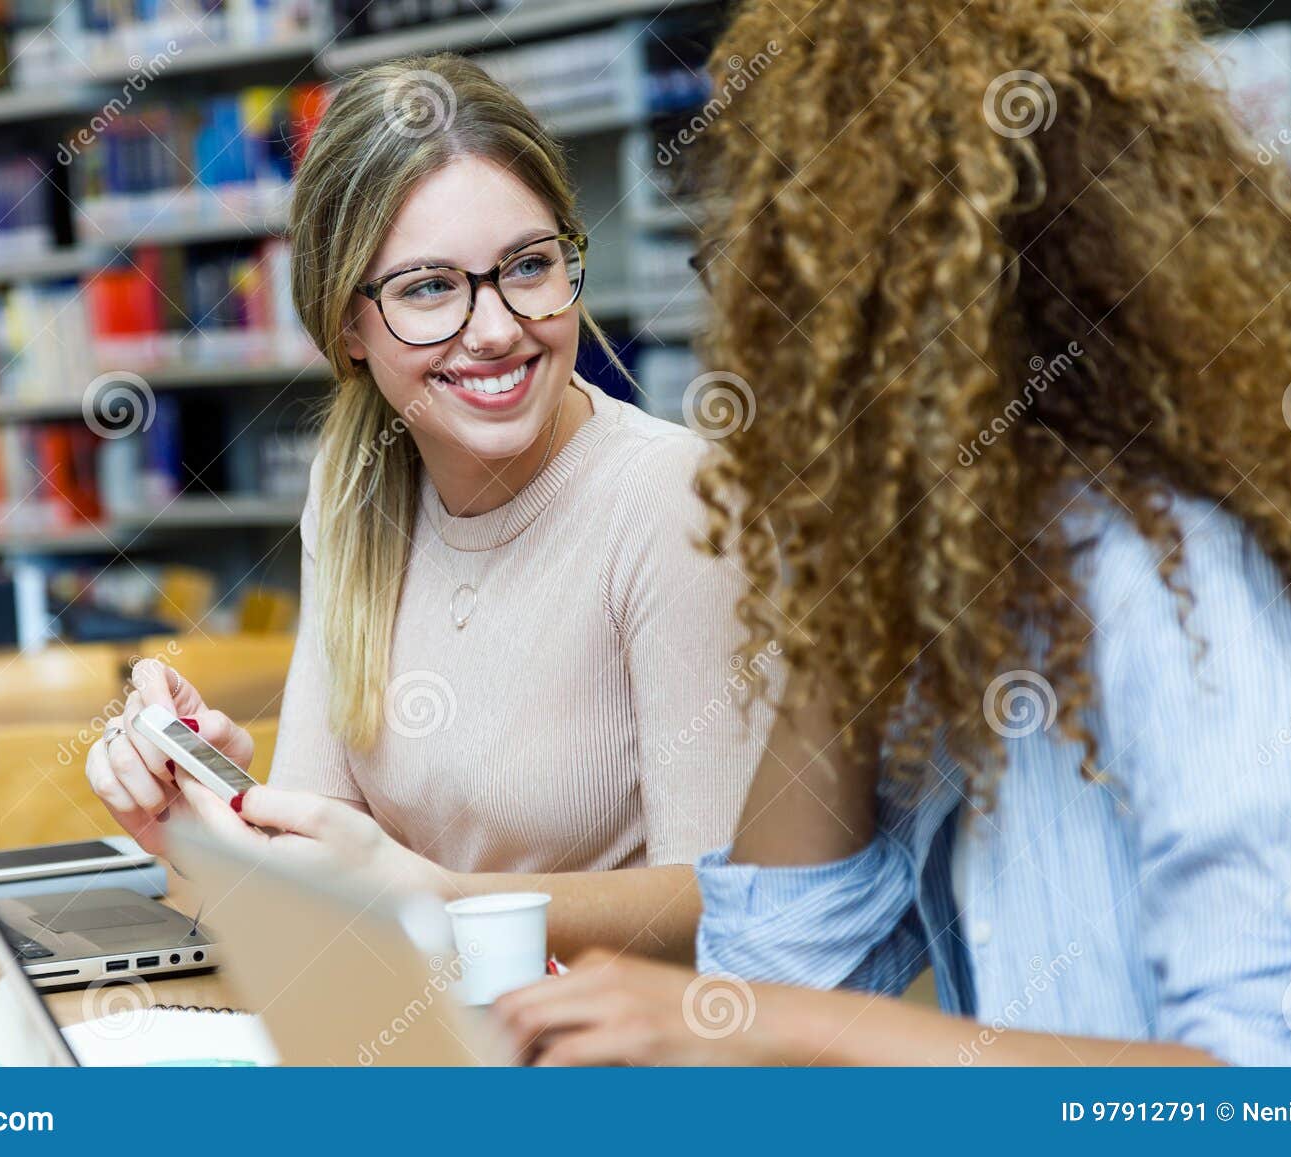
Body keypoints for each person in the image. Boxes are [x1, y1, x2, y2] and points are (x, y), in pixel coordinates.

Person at [493, 0, 1291, 1063]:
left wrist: (781, 1027)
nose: (749, 343)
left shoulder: (1179, 570)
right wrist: (845, 581)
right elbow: (766, 980)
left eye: (768, 277)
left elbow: (1286, 1099)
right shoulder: (966, 570)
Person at [85, 53, 778, 961]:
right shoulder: (353, 484)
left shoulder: (678, 502)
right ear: (347, 325)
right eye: (428, 287)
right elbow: (325, 869)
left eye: (528, 266)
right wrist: (195, 815)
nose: (495, 330)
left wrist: (454, 901)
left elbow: (729, 903)